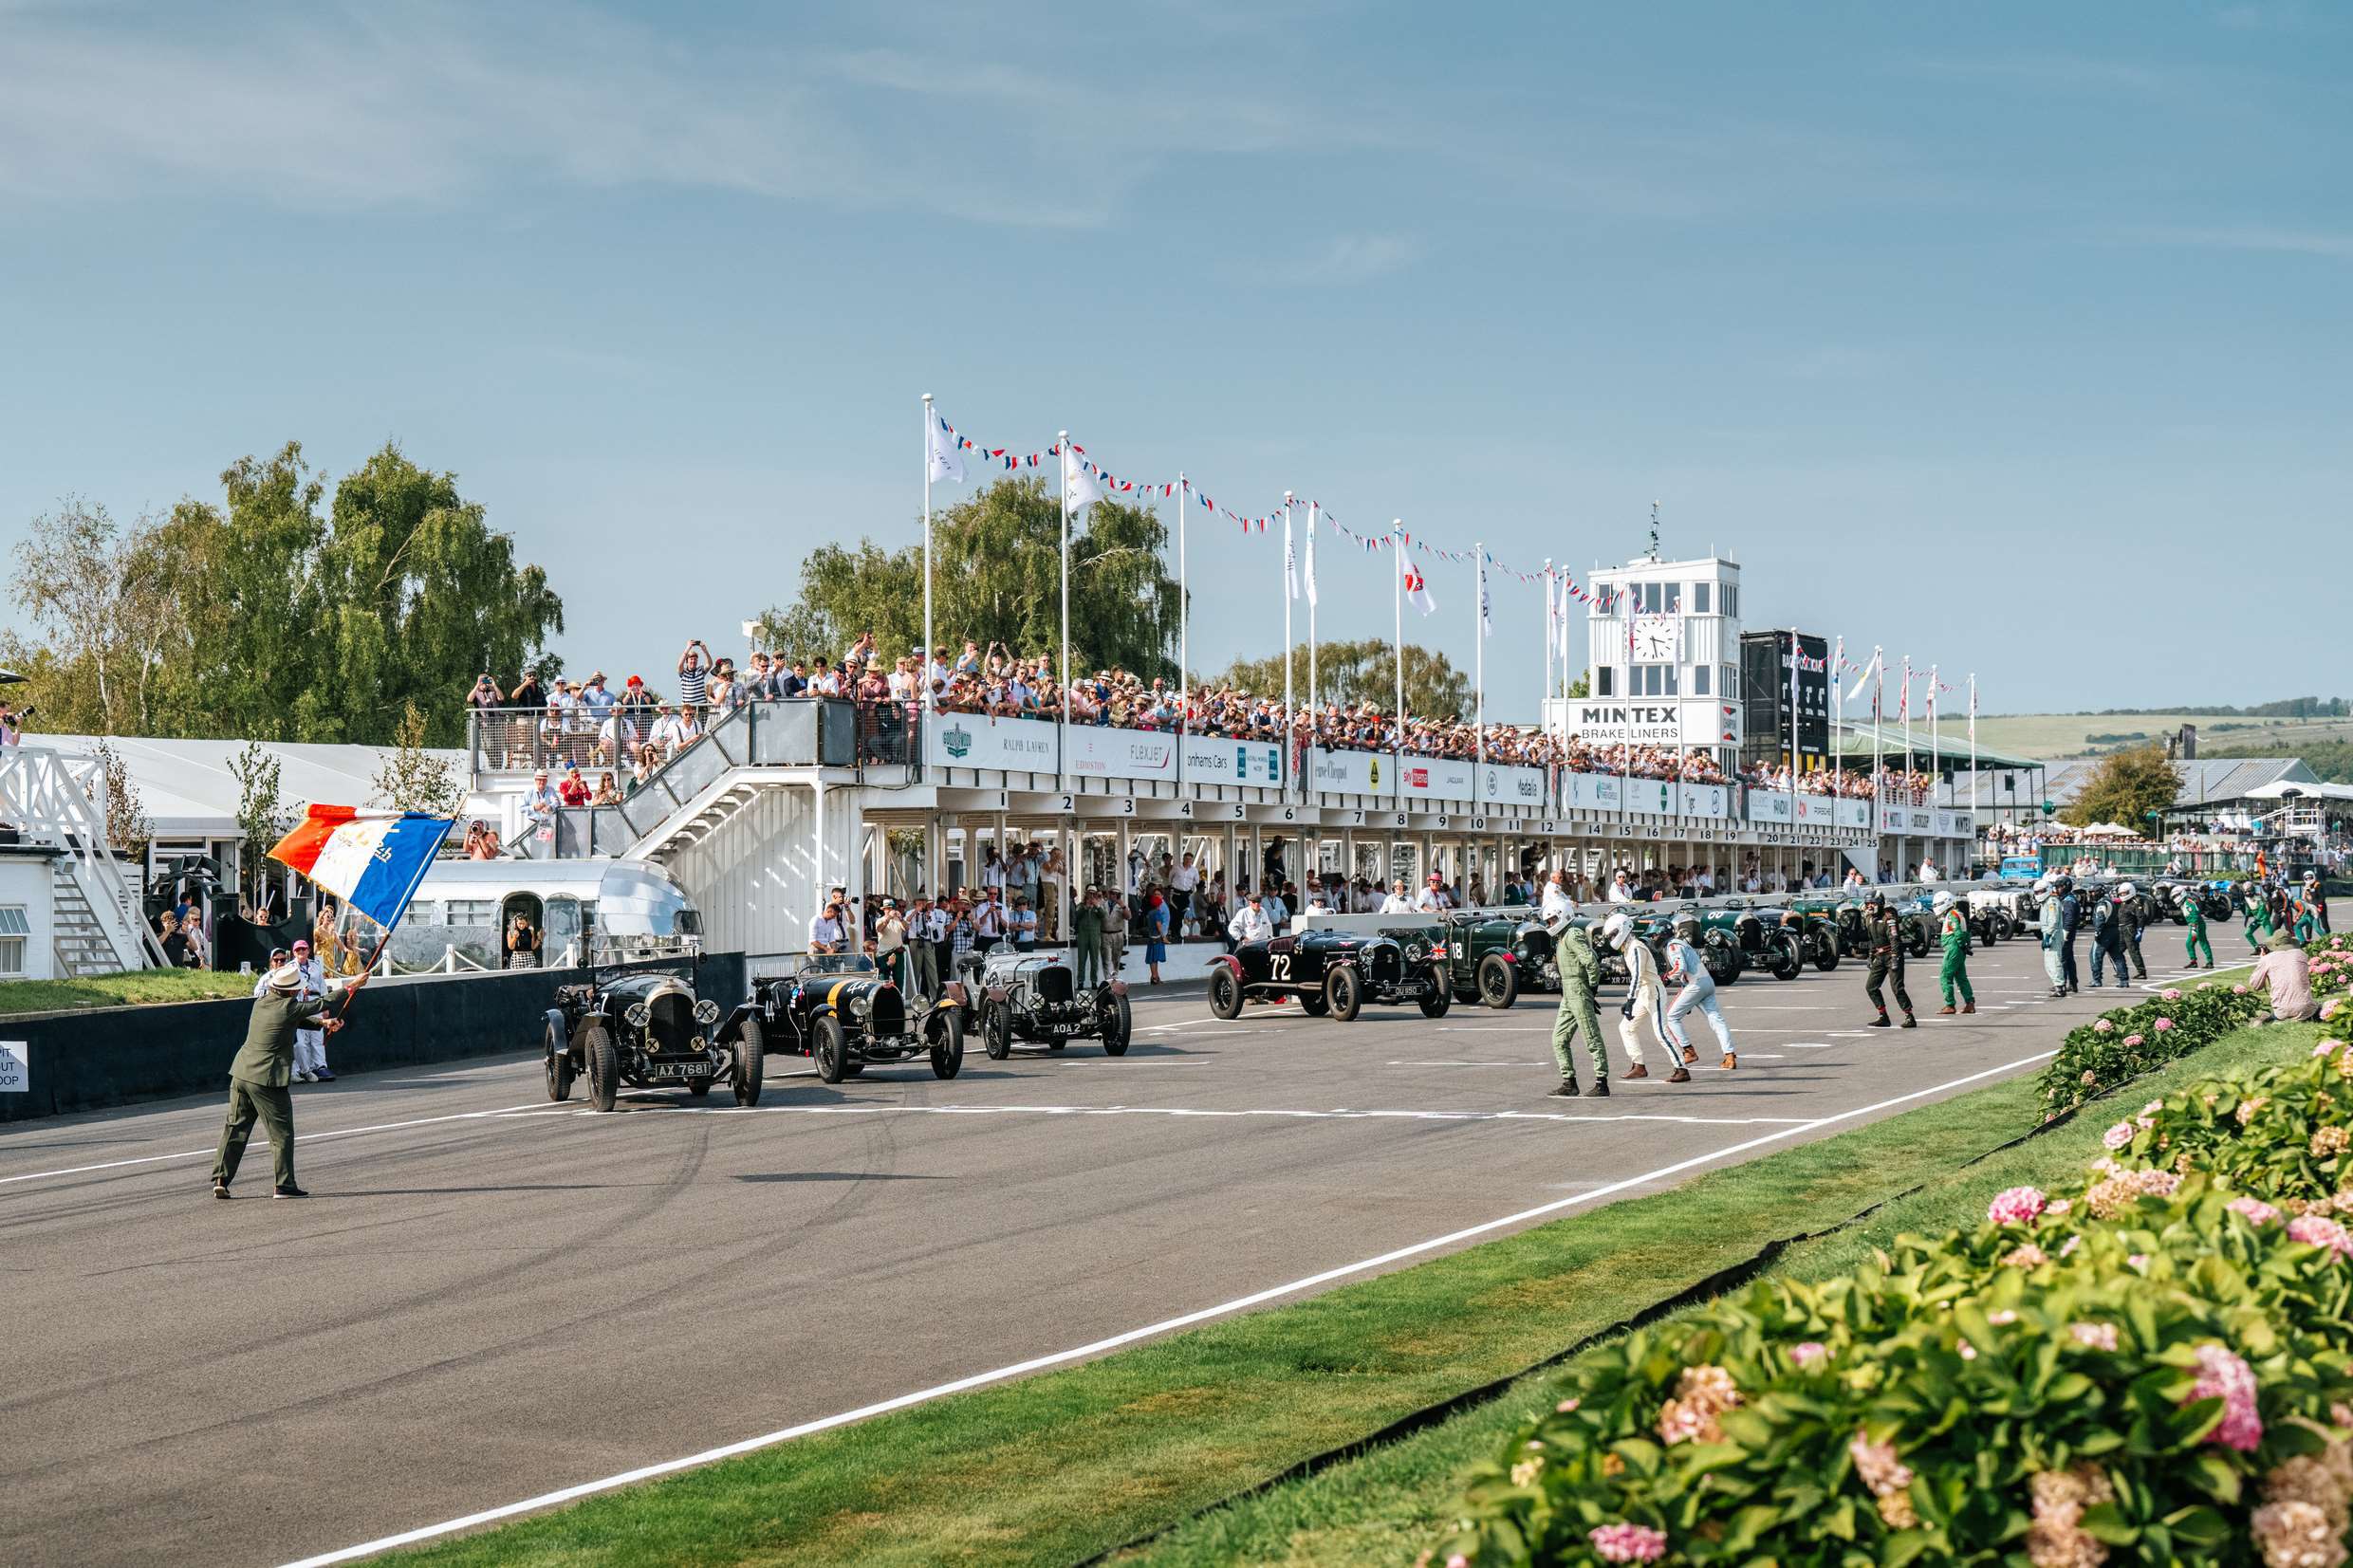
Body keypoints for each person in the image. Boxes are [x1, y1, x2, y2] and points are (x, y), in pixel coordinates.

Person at [212, 962, 366, 1199]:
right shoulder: (289, 1006)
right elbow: (321, 1003)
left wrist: (323, 1023)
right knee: (282, 1133)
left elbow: (293, 1018)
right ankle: (283, 1184)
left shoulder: (261, 1003)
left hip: (242, 1073)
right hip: (266, 1078)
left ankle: (221, 1178)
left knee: (235, 1128)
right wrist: (351, 986)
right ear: (292, 990)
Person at [1602, 911, 1688, 1082]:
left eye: (1613, 934)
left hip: (1652, 991)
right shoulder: (1628, 947)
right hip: (1644, 993)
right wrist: (1631, 1000)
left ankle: (1681, 1068)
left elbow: (1638, 976)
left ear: (1623, 930)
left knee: (1661, 1032)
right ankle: (1638, 1065)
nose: (1612, 938)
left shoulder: (1635, 948)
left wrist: (1629, 1000)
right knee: (1626, 1028)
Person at [1543, 895, 1607, 1098]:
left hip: (1578, 989)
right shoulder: (1562, 937)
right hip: (1569, 993)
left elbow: (1591, 962)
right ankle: (1569, 1082)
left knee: (1591, 1036)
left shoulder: (1572, 934)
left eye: (1552, 920)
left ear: (1562, 916)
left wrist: (1592, 989)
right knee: (1558, 1039)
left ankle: (1601, 1082)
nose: (1550, 924)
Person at [1662, 912, 1737, 1069]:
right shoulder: (1683, 943)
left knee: (1670, 1017)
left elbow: (1679, 967)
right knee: (1716, 1020)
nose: (1655, 939)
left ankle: (1688, 1051)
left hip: (1695, 984)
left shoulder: (1673, 945)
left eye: (1656, 936)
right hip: (1707, 982)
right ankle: (1729, 1055)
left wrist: (1666, 978)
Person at [1862, 892, 1917, 1028]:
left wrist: (1894, 957)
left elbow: (1894, 939)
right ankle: (1883, 1016)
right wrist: (1870, 955)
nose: (1870, 906)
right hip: (1879, 957)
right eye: (1868, 903)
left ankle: (1909, 1016)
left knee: (1897, 988)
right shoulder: (1868, 918)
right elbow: (1871, 939)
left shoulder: (1889, 918)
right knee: (1871, 987)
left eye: (1873, 903)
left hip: (1891, 954)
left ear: (1880, 904)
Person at [289, 936, 335, 1081]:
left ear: (308, 951)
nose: (301, 952)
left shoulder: (315, 965)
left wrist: (325, 1005)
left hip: (316, 1001)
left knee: (317, 1037)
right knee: (300, 1039)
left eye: (304, 949)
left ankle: (320, 1066)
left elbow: (322, 984)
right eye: (298, 950)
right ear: (294, 952)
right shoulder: (290, 967)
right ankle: (298, 1069)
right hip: (300, 1002)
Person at [2251, 930, 2320, 1024]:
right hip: (2306, 1009)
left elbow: (2256, 986)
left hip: (2281, 1011)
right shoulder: (2301, 955)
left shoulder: (2267, 959)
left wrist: (2262, 961)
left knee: (2267, 1016)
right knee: (2317, 1007)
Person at [1933, 891, 1974, 1016]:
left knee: (1945, 976)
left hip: (1953, 948)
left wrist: (1961, 944)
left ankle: (1950, 1004)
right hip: (1959, 949)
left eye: (1937, 904)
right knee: (1961, 978)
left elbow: (1957, 931)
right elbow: (1965, 932)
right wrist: (1965, 945)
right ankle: (1970, 1003)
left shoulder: (1952, 915)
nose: (1936, 907)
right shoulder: (1958, 913)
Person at [2090, 887, 2130, 989]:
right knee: (2117, 956)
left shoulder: (2102, 903)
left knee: (2095, 955)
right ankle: (2124, 979)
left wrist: (2097, 931)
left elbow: (2100, 917)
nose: (2092, 894)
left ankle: (2096, 979)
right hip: (2114, 930)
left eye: (2094, 892)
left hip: (2105, 931)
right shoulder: (2110, 901)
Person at [1072, 888, 1106, 987]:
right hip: (1083, 935)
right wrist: (1086, 907)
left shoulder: (1098, 906)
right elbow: (1076, 916)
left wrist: (1096, 905)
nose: (1091, 896)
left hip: (1095, 936)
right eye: (1089, 893)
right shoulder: (1080, 906)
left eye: (1093, 893)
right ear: (1086, 894)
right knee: (1081, 959)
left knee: (1094, 959)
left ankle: (1094, 981)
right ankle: (1080, 981)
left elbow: (1103, 915)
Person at [2177, 886, 2214, 970]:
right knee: (2191, 943)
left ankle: (2208, 962)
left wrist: (2194, 926)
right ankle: (2195, 961)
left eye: (2176, 896)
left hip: (2197, 925)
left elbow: (2194, 913)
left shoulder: (2188, 902)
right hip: (2195, 925)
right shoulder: (2184, 903)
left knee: (2201, 942)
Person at [2056, 876, 2082, 993]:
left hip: (2066, 933)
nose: (2058, 889)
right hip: (2067, 933)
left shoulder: (2068, 901)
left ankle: (2061, 983)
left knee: (2063, 959)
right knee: (2069, 959)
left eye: (2060, 887)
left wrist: (2065, 933)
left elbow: (2069, 919)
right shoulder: (2068, 899)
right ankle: (2073, 983)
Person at [2119, 882, 2149, 980]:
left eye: (2125, 893)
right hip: (2121, 929)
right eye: (2121, 893)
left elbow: (2141, 918)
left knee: (2133, 951)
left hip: (2130, 929)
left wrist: (2140, 930)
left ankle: (2142, 972)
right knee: (2116, 951)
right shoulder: (2122, 903)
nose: (2123, 895)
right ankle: (2122, 971)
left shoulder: (2136, 903)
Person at [1143, 890, 1169, 985]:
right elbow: (1159, 926)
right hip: (1157, 937)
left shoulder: (1150, 913)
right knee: (1154, 958)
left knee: (1153, 958)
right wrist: (1164, 937)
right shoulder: (1157, 913)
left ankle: (1155, 976)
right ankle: (1154, 977)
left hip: (1151, 936)